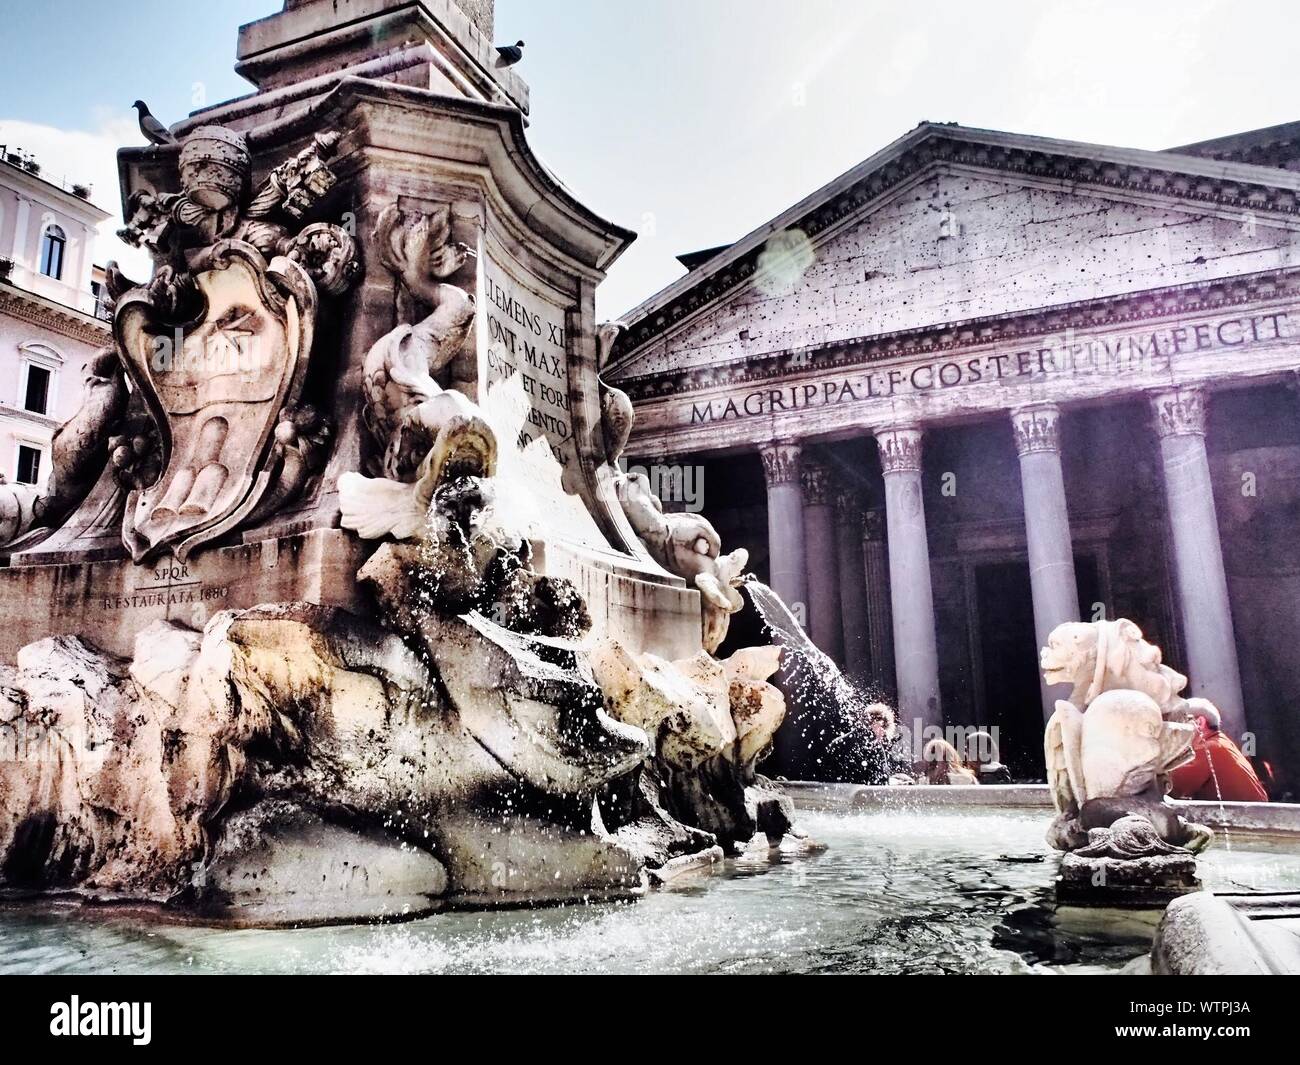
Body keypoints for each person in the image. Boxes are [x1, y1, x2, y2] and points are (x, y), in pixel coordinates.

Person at [1168, 698, 1268, 802]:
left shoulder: (1209, 748)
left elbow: (1172, 788)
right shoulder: (1221, 743)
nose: (1175, 733)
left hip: (1245, 817)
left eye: (1179, 725)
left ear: (1199, 723)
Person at [864, 702, 915, 784]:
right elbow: (872, 777)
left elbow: (884, 774)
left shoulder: (886, 746)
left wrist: (898, 778)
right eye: (874, 721)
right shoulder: (866, 746)